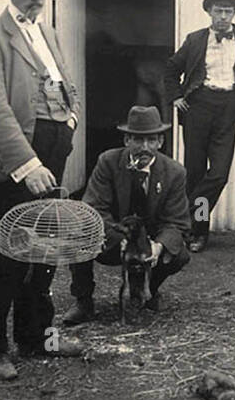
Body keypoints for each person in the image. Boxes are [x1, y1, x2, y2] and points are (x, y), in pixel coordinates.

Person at [0, 0, 83, 381]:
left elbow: (65, 85)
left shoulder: (47, 34)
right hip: (11, 165)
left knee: (43, 252)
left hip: (52, 156)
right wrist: (26, 163)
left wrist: (71, 119)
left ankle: (38, 336)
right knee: (2, 253)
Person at [61, 106, 191, 322]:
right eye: (138, 140)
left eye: (151, 141)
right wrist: (118, 238)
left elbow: (178, 223)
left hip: (150, 244)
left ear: (160, 142)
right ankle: (83, 302)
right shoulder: (107, 162)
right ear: (127, 141)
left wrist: (158, 246)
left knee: (179, 254)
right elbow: (93, 209)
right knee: (78, 237)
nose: (145, 147)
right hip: (113, 240)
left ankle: (145, 291)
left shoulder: (175, 172)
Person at [165, 0, 235, 253]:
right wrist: (175, 97)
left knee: (218, 174)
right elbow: (171, 69)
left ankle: (182, 215)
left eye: (228, 12)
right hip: (198, 107)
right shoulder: (195, 39)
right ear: (209, 12)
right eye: (218, 11)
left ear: (234, 14)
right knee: (194, 173)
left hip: (229, 108)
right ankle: (199, 232)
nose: (223, 17)